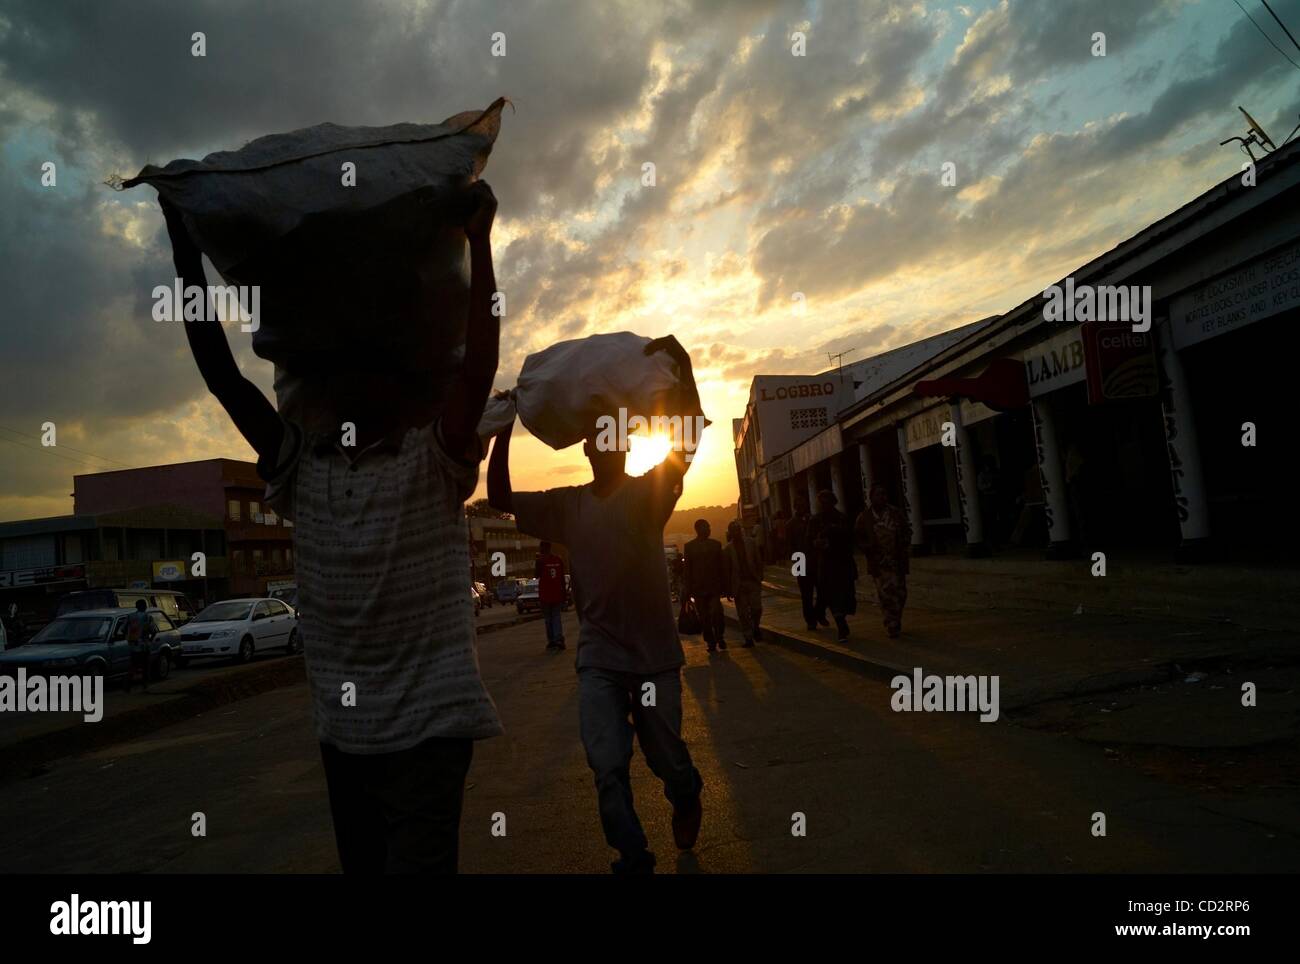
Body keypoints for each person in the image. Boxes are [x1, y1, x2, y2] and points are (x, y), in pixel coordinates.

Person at [160, 180, 504, 874]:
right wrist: (182, 247)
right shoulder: (302, 473)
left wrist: (480, 242)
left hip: (433, 730)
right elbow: (224, 377)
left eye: (368, 370)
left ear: (402, 381)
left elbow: (480, 362)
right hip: (344, 737)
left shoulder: (433, 461)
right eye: (333, 372)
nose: (350, 385)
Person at [487, 334, 705, 875]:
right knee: (607, 765)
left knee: (663, 756)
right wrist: (503, 426)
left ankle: (686, 792)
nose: (602, 446)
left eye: (611, 438)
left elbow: (689, 441)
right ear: (587, 450)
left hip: (654, 658)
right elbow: (498, 500)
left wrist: (686, 369)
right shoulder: (568, 507)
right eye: (594, 440)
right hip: (600, 661)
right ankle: (632, 855)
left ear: (625, 447)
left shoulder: (648, 496)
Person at [855, 482, 912, 639]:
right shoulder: (864, 517)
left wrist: (903, 544)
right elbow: (858, 538)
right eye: (878, 495)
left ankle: (896, 618)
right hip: (879, 563)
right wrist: (868, 548)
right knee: (885, 593)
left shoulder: (895, 513)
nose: (882, 498)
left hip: (896, 560)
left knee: (900, 592)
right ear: (871, 497)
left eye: (884, 494)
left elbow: (907, 531)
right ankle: (891, 623)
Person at [809, 489, 857, 640]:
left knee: (845, 595)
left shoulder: (841, 519)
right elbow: (808, 542)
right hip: (826, 564)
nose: (824, 505)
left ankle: (820, 613)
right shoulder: (815, 521)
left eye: (826, 502)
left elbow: (851, 539)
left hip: (843, 563)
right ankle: (841, 626)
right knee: (832, 595)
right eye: (821, 503)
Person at [683, 519, 727, 652]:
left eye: (709, 527)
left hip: (714, 587)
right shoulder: (689, 547)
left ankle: (720, 636)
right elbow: (687, 570)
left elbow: (722, 567)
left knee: (717, 613)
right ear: (698, 529)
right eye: (706, 527)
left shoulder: (716, 545)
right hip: (698, 588)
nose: (709, 529)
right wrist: (687, 589)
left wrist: (725, 585)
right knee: (704, 618)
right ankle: (710, 641)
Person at [786, 496, 826, 631]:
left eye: (803, 504)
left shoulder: (813, 520)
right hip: (800, 561)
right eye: (799, 505)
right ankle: (810, 620)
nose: (801, 507)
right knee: (806, 594)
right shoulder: (790, 524)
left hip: (816, 559)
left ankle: (819, 613)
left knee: (823, 590)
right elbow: (790, 545)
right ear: (795, 507)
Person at [722, 521, 763, 647]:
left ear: (740, 530)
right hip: (738, 585)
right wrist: (728, 589)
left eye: (737, 529)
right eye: (733, 530)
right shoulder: (728, 549)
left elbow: (758, 560)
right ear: (730, 532)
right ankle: (748, 637)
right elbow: (727, 570)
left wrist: (760, 576)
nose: (736, 532)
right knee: (743, 613)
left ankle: (755, 626)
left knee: (757, 608)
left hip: (752, 581)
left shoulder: (750, 543)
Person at [536, 541, 567, 652]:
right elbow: (562, 579)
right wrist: (564, 594)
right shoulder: (558, 560)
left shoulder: (540, 561)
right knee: (556, 617)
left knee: (548, 619)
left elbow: (536, 575)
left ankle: (552, 640)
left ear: (542, 549)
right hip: (557, 593)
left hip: (545, 595)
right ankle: (558, 638)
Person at [123, 599, 157, 694]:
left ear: (136, 607)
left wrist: (129, 638)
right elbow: (153, 631)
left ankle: (127, 686)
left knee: (132, 666)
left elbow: (123, 629)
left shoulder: (130, 617)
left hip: (133, 646)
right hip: (144, 646)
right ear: (145, 606)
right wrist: (149, 640)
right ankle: (145, 686)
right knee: (145, 667)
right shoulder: (148, 617)